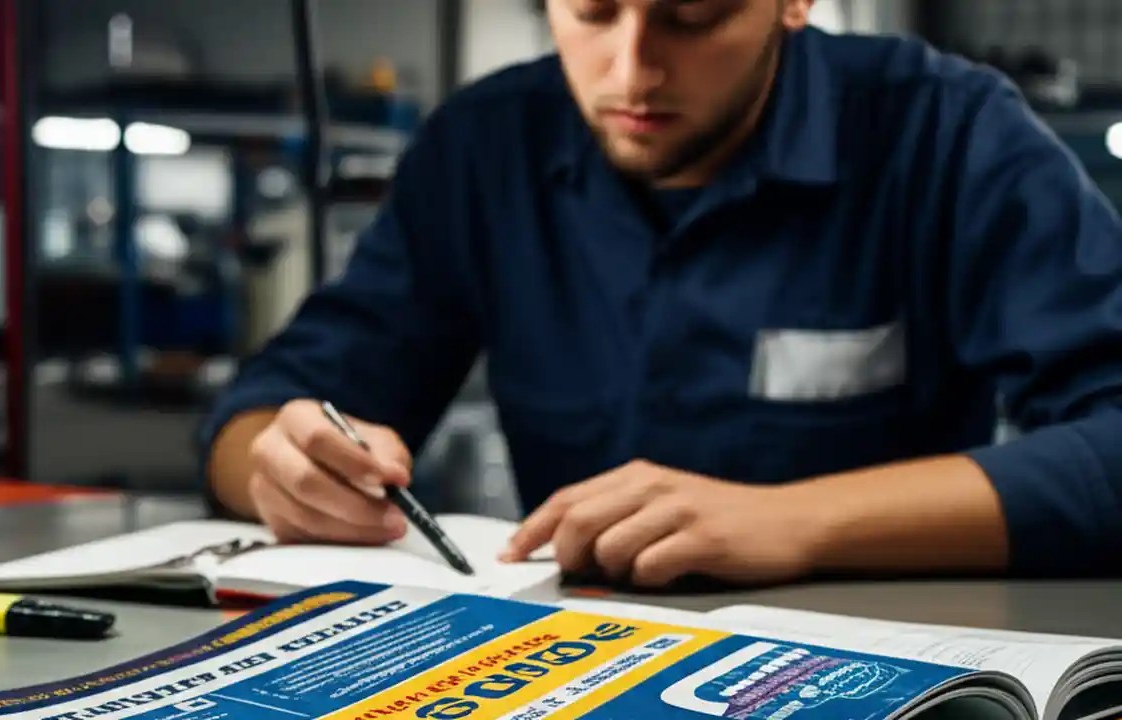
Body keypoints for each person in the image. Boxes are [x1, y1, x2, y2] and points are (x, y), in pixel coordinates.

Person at [201, 0, 1122, 587]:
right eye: (593, 11)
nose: (634, 70)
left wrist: (790, 523)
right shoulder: (483, 150)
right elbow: (261, 413)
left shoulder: (946, 132)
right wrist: (279, 466)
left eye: (693, 15)